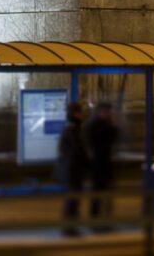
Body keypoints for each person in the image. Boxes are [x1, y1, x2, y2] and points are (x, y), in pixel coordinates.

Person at [54, 100, 89, 236]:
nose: (82, 115)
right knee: (73, 200)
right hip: (73, 170)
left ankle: (71, 226)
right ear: (74, 114)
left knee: (73, 199)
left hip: (73, 170)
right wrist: (88, 163)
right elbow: (78, 150)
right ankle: (70, 228)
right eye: (79, 112)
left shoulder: (72, 129)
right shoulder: (72, 130)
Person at [86, 101, 120, 227]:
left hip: (104, 165)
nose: (109, 114)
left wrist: (113, 125)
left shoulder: (103, 124)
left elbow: (112, 139)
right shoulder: (95, 125)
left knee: (104, 194)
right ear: (100, 112)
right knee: (98, 193)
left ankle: (104, 219)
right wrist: (113, 125)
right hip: (98, 165)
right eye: (106, 111)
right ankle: (96, 220)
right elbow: (104, 142)